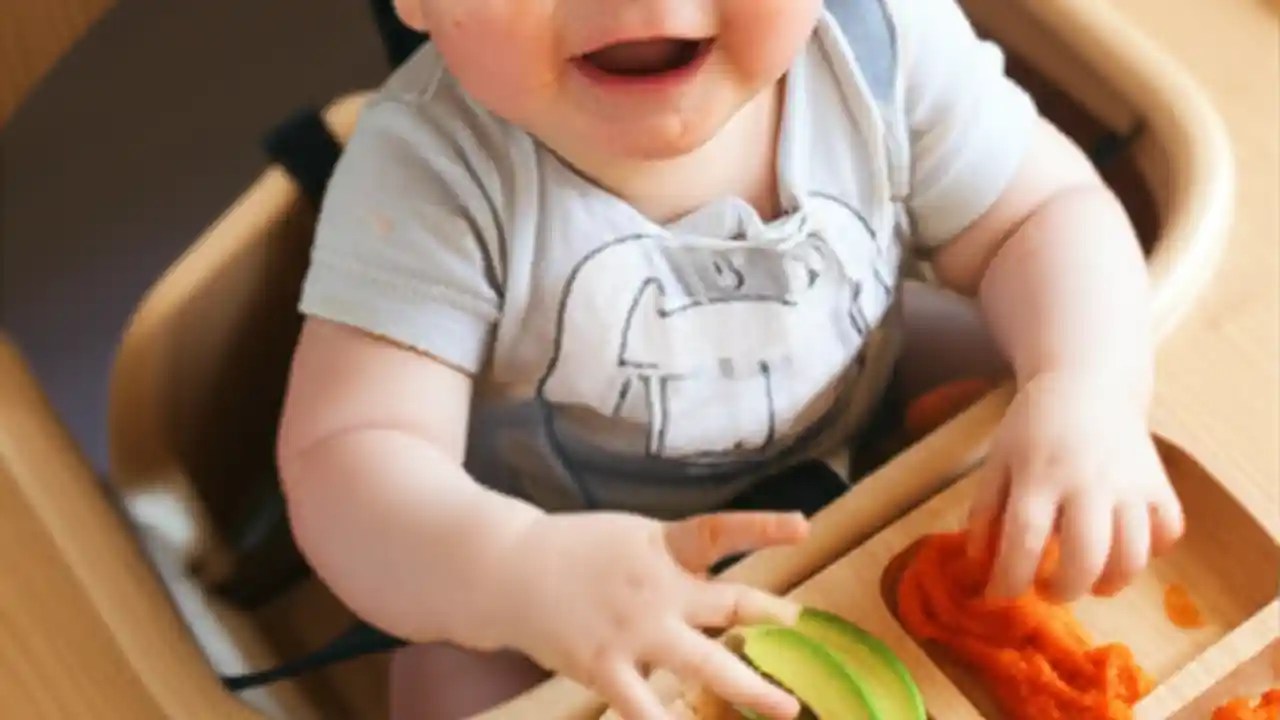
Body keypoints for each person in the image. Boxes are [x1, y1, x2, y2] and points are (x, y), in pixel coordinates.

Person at [274, 0, 1186, 717]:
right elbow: (346, 457)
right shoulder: (428, 178)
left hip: (863, 425)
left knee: (1053, 350)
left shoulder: (879, 42)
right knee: (447, 683)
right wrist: (517, 571)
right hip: (570, 564)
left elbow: (1045, 213)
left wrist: (1085, 386)